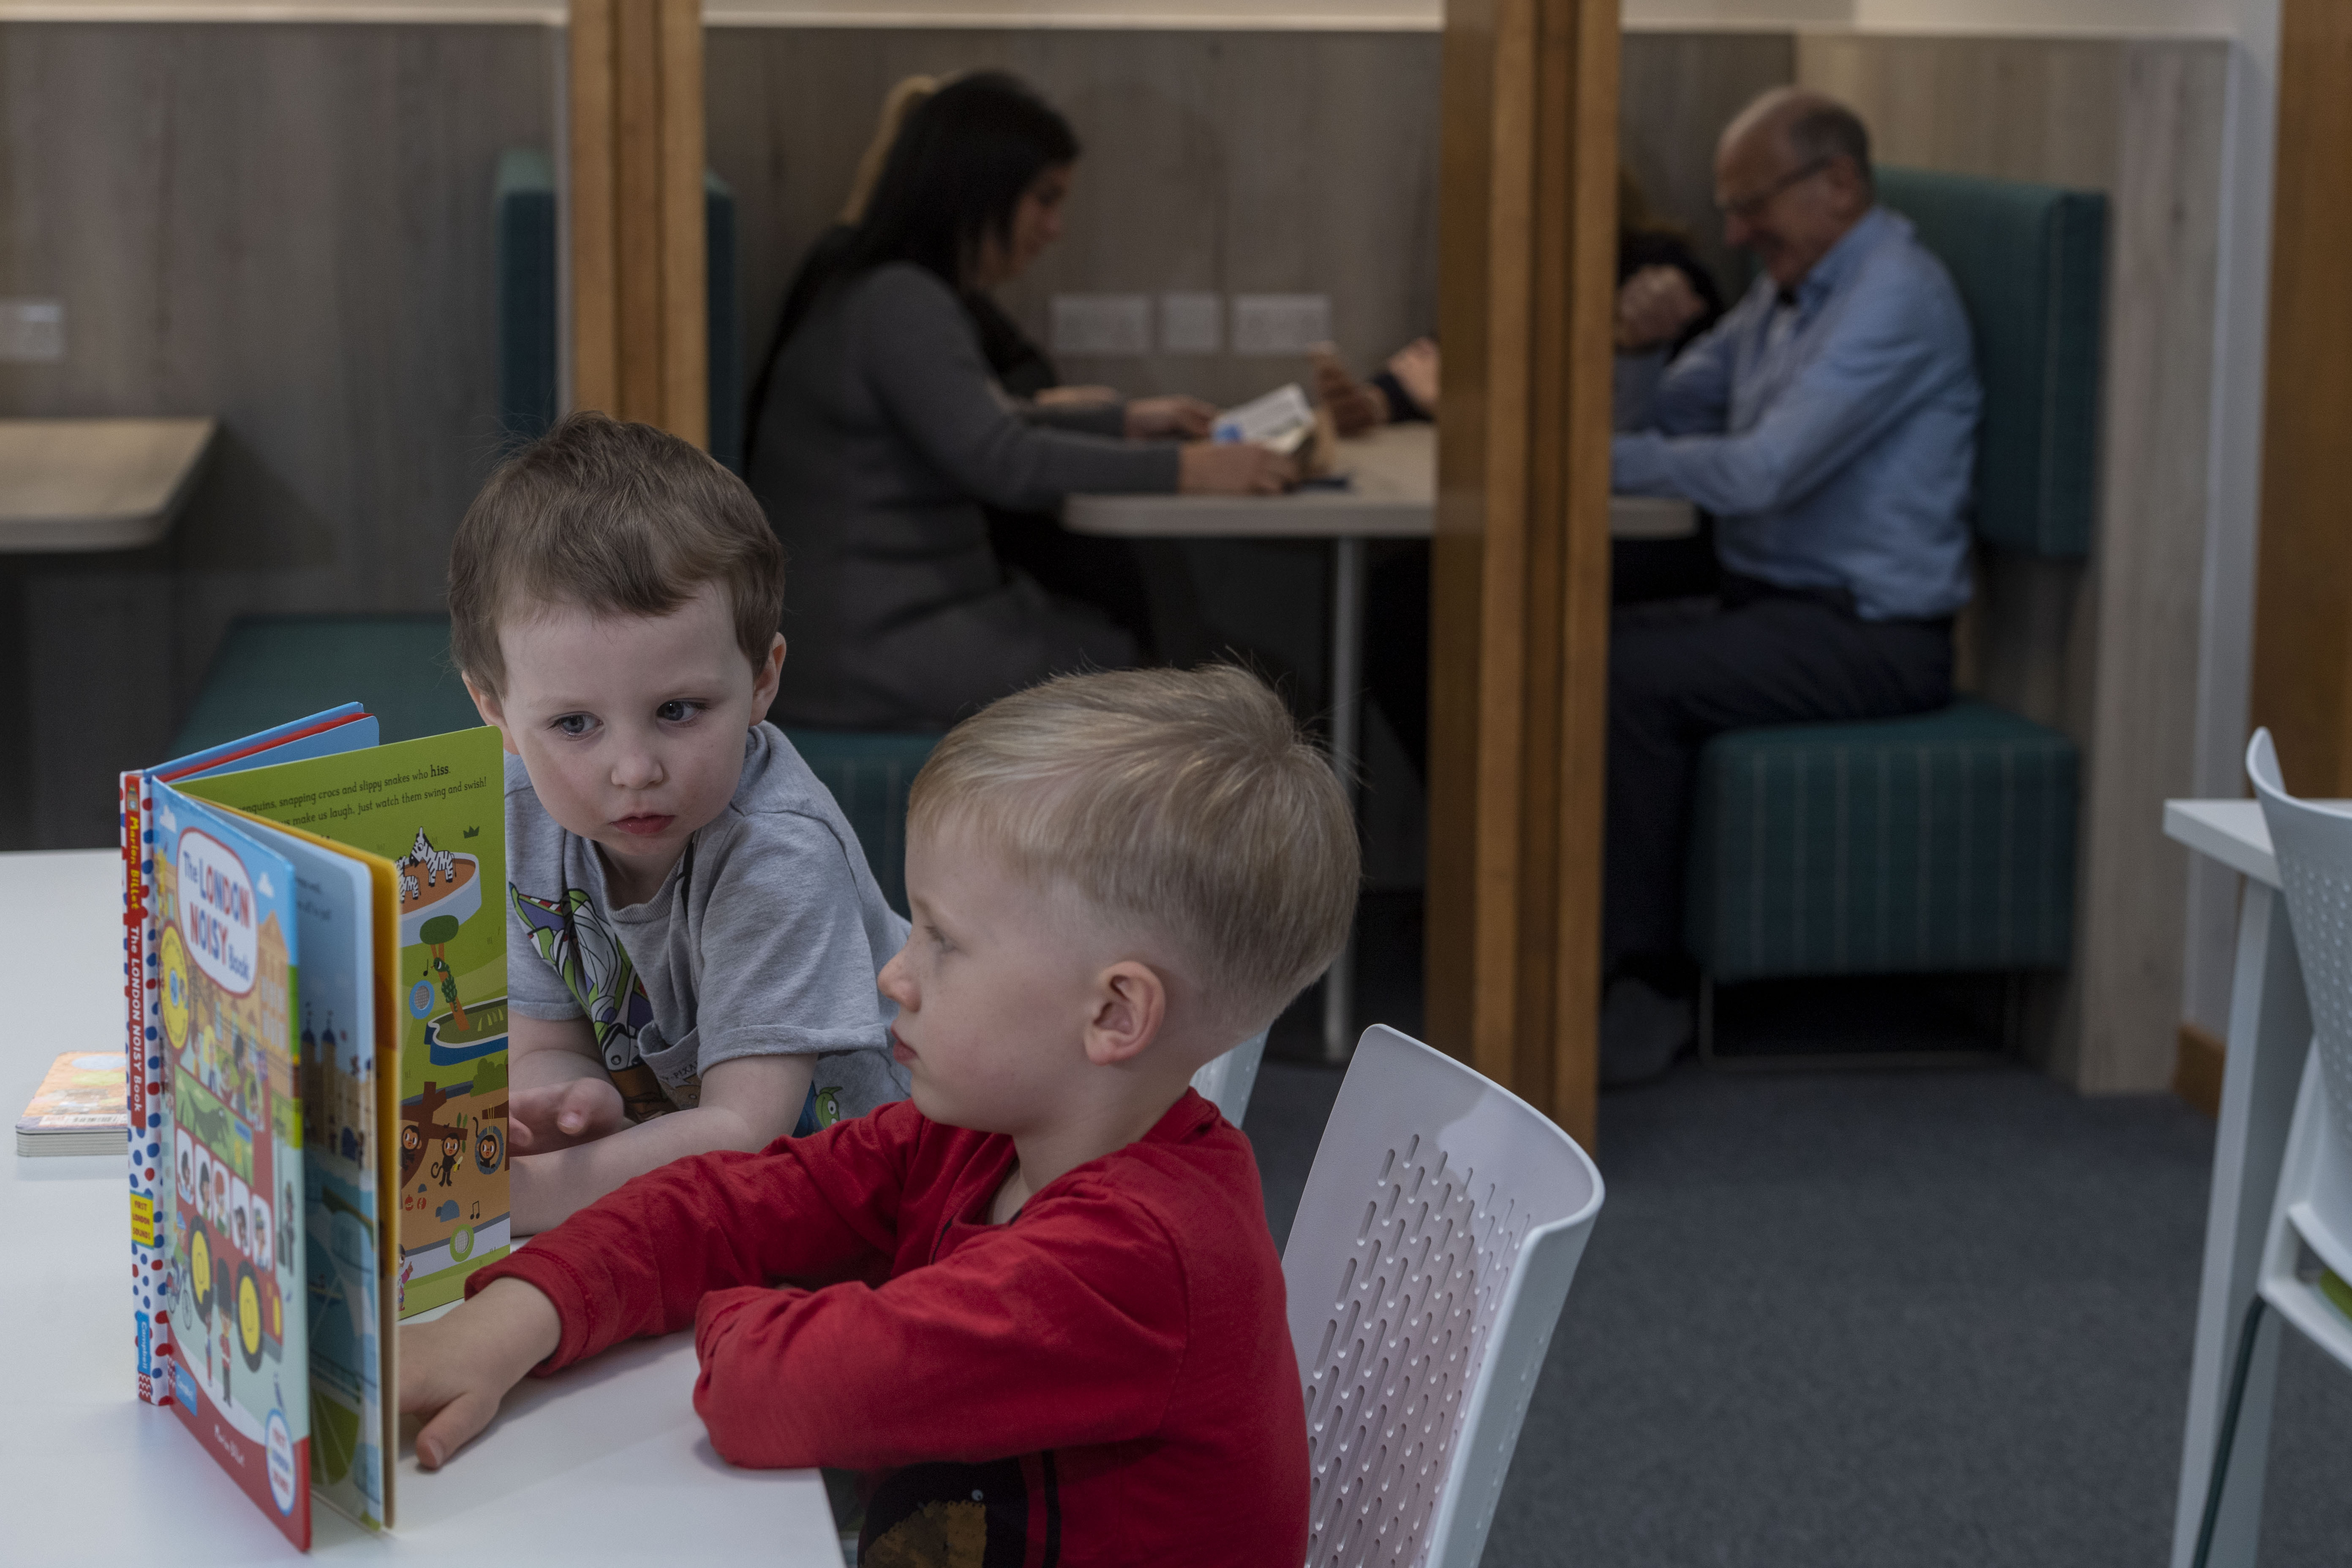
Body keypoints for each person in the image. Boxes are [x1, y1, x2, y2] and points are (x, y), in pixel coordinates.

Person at [399, 665, 1359, 1566]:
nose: (895, 971)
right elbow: (728, 1204)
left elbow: (775, 1390)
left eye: (944, 940)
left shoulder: (1137, 1261)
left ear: (1114, 1014)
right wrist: (521, 1313)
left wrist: (750, 1297)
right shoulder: (981, 1132)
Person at [448, 412, 909, 1236]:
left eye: (677, 709)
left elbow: (744, 1131)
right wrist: (576, 1095)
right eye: (575, 724)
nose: (634, 768)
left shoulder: (778, 850)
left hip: (862, 1189)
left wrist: (528, 1196)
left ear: (764, 678)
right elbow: (547, 1037)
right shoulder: (518, 819)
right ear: (496, 711)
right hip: (686, 1176)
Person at [1600, 87, 1979, 1081]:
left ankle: (1649, 981)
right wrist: (1638, 349)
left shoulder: (1894, 295)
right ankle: (1570, 941)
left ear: (1838, 184)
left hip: (1873, 632)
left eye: (1752, 203)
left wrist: (1586, 461)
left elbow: (1762, 470)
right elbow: (1684, 413)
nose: (1733, 230)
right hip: (1770, 602)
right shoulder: (1786, 286)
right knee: (1562, 647)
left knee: (1623, 680)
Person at [750, 72, 1291, 731]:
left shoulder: (880, 292)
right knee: (1173, 682)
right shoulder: (902, 303)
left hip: (884, 632)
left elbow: (980, 419)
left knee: (1153, 650)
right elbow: (1001, 456)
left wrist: (1124, 422)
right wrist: (1189, 469)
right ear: (979, 191)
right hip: (882, 650)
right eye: (1044, 200)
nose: (1055, 228)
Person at [1329, 168, 1731, 774]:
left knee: (1413, 604)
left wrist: (1464, 411)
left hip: (1659, 533)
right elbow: (1446, 355)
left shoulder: (1661, 278)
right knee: (1405, 596)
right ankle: (1468, 819)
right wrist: (1378, 402)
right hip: (1574, 518)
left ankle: (1483, 822)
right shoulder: (1524, 273)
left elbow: (1576, 438)